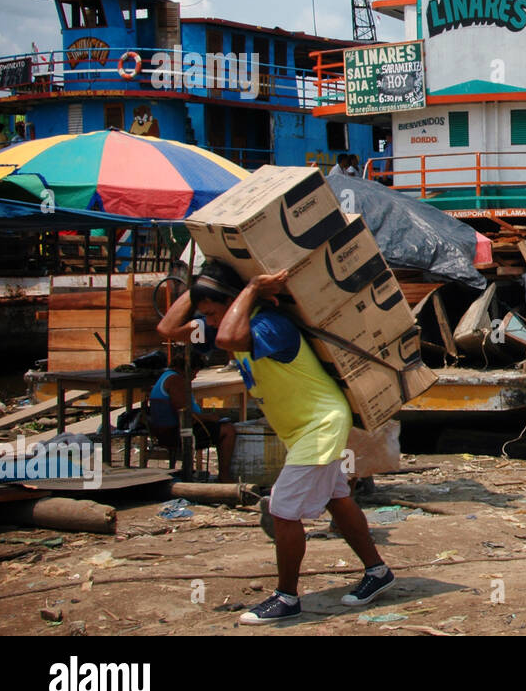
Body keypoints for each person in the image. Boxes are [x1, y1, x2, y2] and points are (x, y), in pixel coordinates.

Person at [158, 261, 396, 624]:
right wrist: (197, 290)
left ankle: (287, 597)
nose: (208, 320)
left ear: (232, 302)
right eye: (204, 314)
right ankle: (377, 572)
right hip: (303, 427)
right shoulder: (228, 322)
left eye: (212, 311)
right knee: (336, 496)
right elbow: (168, 328)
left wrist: (251, 288)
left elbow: (226, 339)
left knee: (282, 509)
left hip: (319, 423)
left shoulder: (270, 325)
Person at [148, 351, 237, 482]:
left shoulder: (168, 377)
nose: (195, 376)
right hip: (176, 434)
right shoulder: (175, 380)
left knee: (221, 425)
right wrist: (210, 418)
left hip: (171, 430)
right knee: (228, 430)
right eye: (195, 371)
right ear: (187, 368)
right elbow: (185, 414)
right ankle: (224, 475)